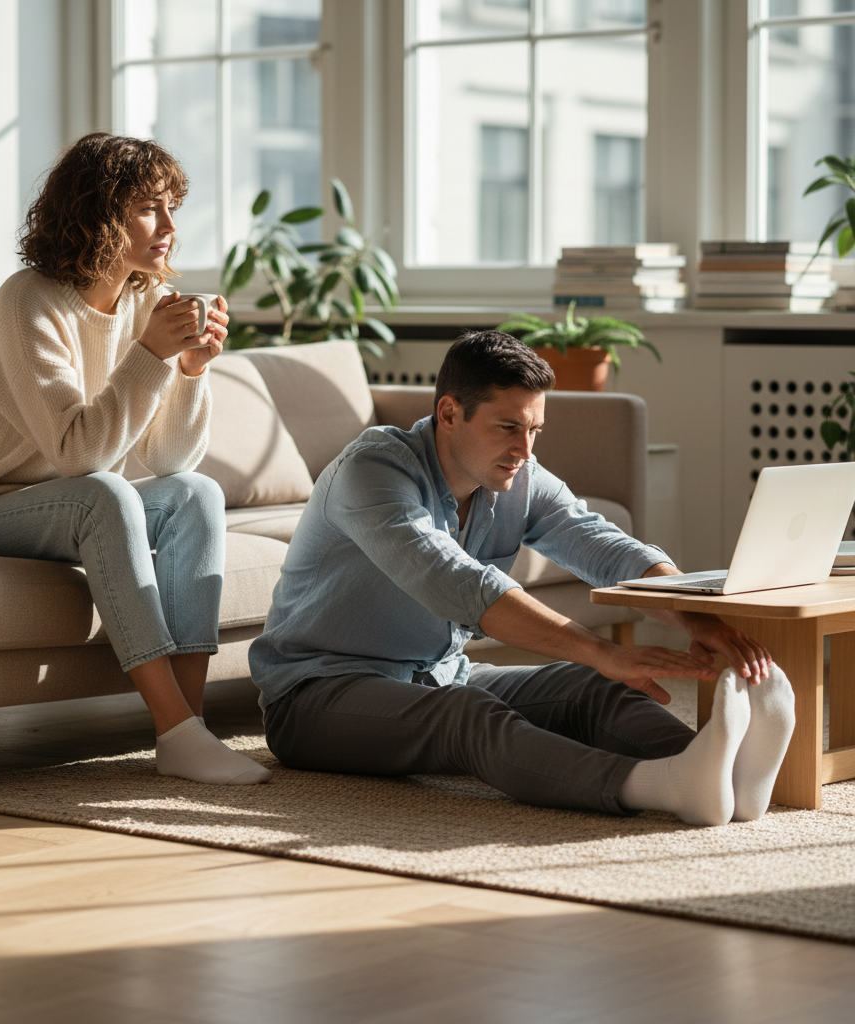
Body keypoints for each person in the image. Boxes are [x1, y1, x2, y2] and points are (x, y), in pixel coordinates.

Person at [249, 331, 796, 824]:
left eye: (534, 429)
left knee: (591, 687)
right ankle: (661, 785)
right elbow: (456, 583)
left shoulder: (517, 476)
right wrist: (598, 647)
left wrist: (694, 615)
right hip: (315, 696)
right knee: (469, 717)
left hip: (440, 673)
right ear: (449, 412)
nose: (524, 450)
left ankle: (717, 773)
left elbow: (605, 548)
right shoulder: (373, 472)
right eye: (508, 427)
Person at [0, 132, 270, 786]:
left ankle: (185, 731)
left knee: (196, 493)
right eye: (148, 208)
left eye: (172, 209)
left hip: (66, 504)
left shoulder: (141, 299)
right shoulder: (29, 299)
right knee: (106, 493)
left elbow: (168, 457)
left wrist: (189, 371)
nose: (169, 226)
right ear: (98, 212)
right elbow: (78, 454)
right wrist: (151, 357)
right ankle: (175, 727)